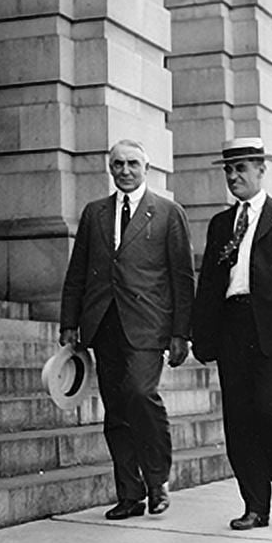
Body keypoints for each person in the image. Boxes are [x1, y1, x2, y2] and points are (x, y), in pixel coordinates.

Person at [192, 137, 272, 530]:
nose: (234, 177)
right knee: (238, 419)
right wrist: (200, 335)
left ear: (261, 171)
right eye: (229, 170)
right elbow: (209, 284)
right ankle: (255, 507)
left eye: (242, 169)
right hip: (232, 326)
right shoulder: (220, 224)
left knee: (268, 408)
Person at [59, 140, 195, 520]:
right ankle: (130, 494)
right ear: (110, 168)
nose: (125, 171)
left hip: (148, 327)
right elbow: (78, 272)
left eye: (132, 164)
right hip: (104, 324)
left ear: (146, 168)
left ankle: (157, 481)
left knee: (140, 393)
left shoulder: (168, 213)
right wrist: (69, 323)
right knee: (116, 411)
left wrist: (181, 333)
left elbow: (182, 278)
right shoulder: (95, 213)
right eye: (117, 164)